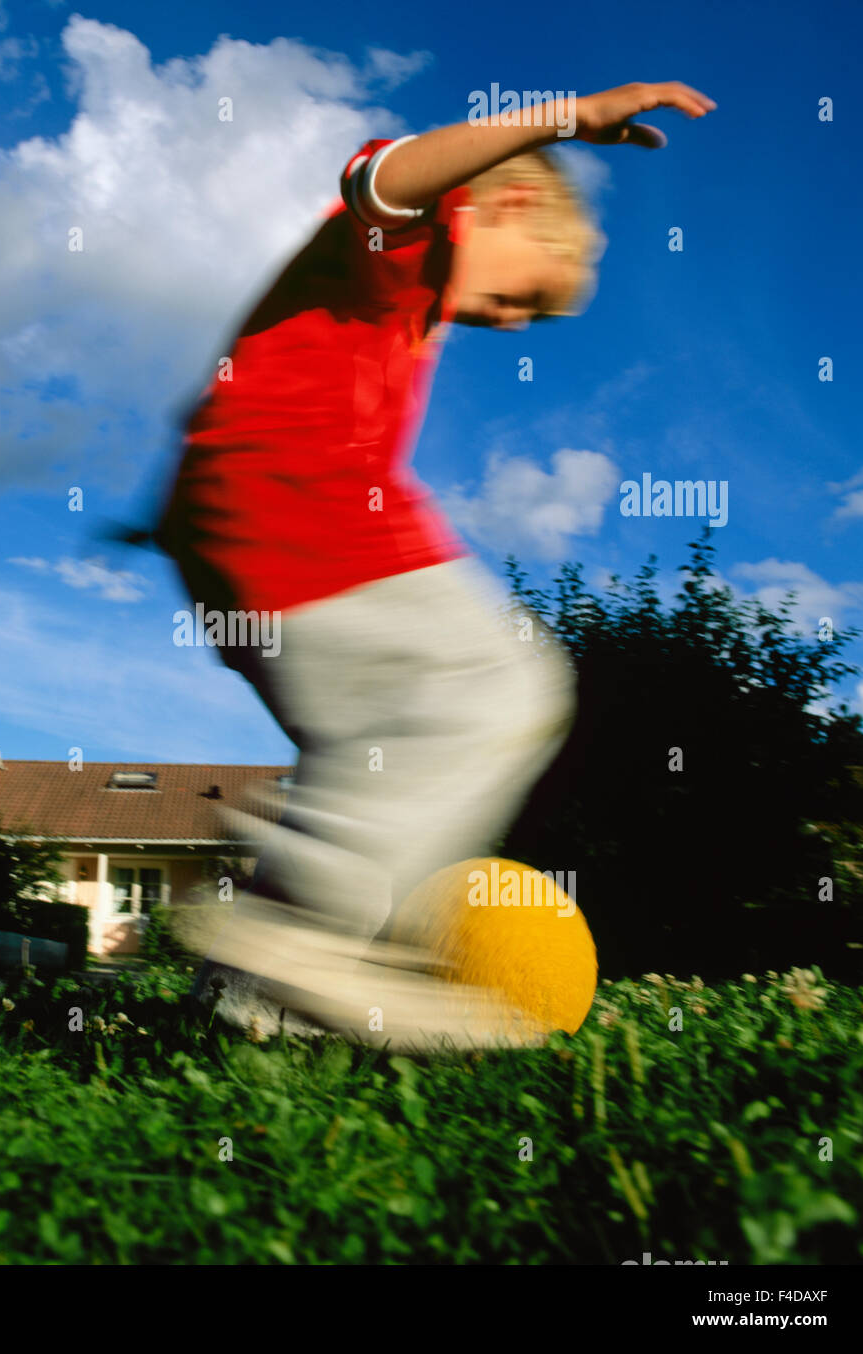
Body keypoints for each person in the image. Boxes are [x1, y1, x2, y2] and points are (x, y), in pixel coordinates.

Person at [152, 82, 716, 1052]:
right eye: (522, 295)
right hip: (294, 508)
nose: (507, 323)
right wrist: (562, 119)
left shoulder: (393, 314)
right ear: (498, 206)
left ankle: (243, 1007)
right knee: (505, 682)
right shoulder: (405, 243)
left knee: (367, 765)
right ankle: (298, 931)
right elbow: (391, 179)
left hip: (228, 542)